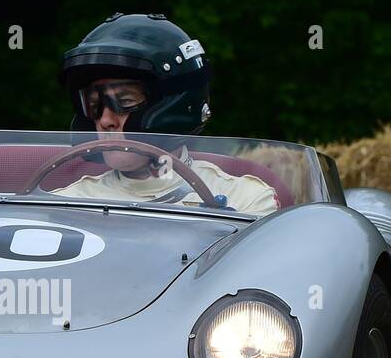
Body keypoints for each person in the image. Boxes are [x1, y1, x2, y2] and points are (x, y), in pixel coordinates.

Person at [54, 13, 279, 214]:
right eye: (94, 105)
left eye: (124, 102)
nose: (104, 120)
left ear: (174, 107)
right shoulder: (66, 205)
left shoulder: (244, 201)